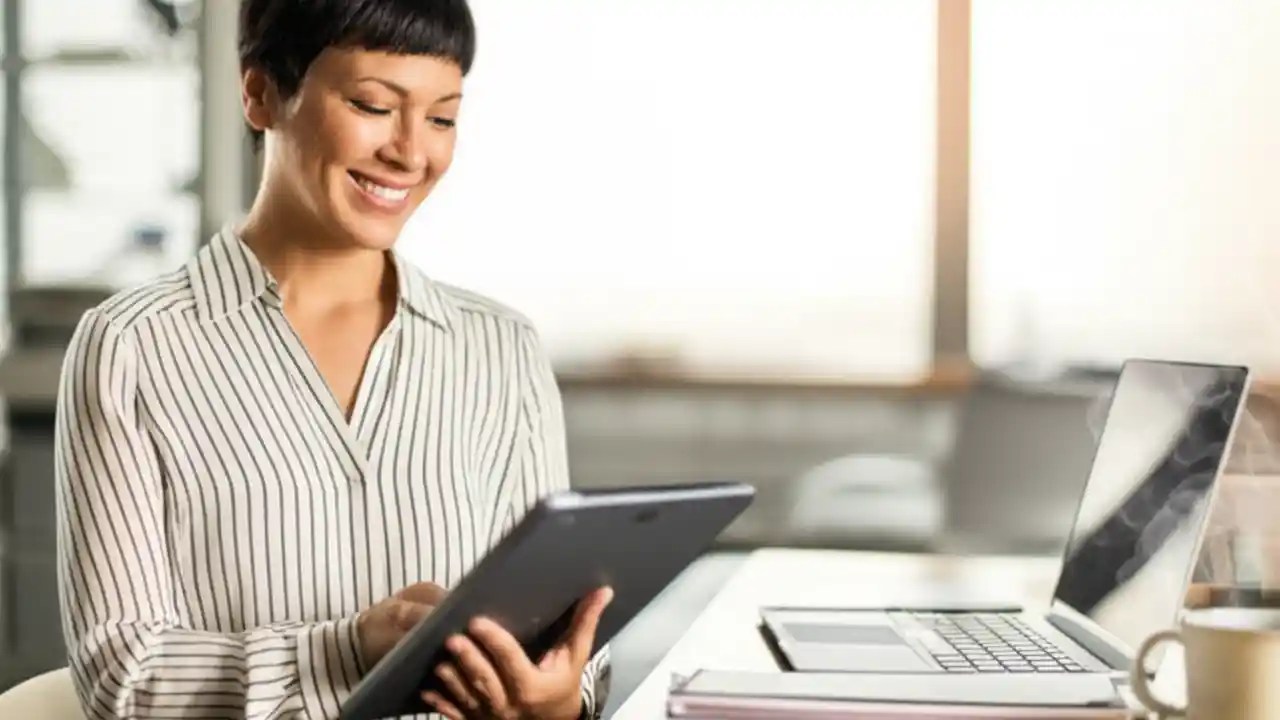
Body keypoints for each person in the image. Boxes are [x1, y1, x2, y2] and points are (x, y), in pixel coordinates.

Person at [53, 1, 610, 718]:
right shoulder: (132, 348)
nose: (412, 153)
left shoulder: (501, 349)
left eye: (441, 117)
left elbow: (562, 639)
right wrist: (346, 647)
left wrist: (560, 700)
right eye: (373, 105)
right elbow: (121, 675)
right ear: (259, 94)